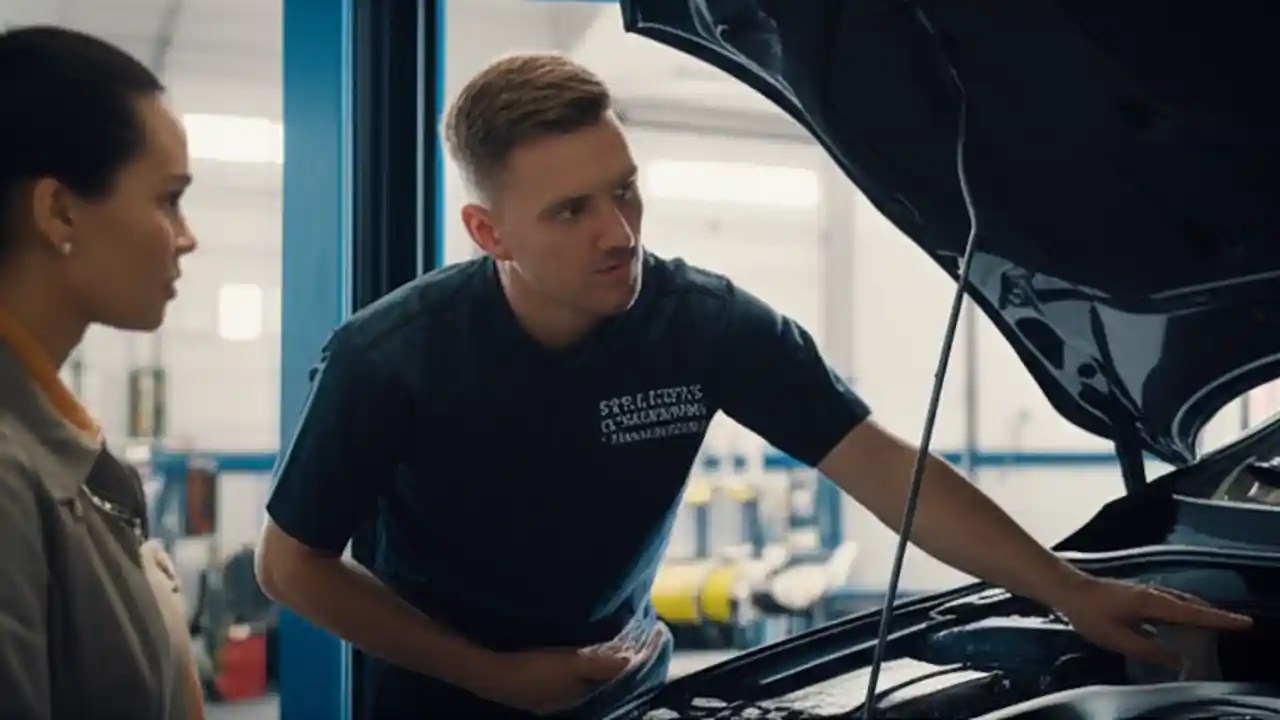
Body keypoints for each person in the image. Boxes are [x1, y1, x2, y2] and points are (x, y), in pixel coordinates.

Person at [256, 53, 1253, 718]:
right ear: (489, 234)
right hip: (443, 698)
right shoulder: (390, 358)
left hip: (626, 679)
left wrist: (1069, 591)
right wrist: (497, 678)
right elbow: (289, 567)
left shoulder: (702, 323)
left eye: (624, 187)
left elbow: (877, 464)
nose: (619, 231)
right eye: (570, 212)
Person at [0, 25, 202, 720]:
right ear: (59, 210)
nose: (187, 236)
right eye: (168, 198)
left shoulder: (58, 452)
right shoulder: (7, 472)